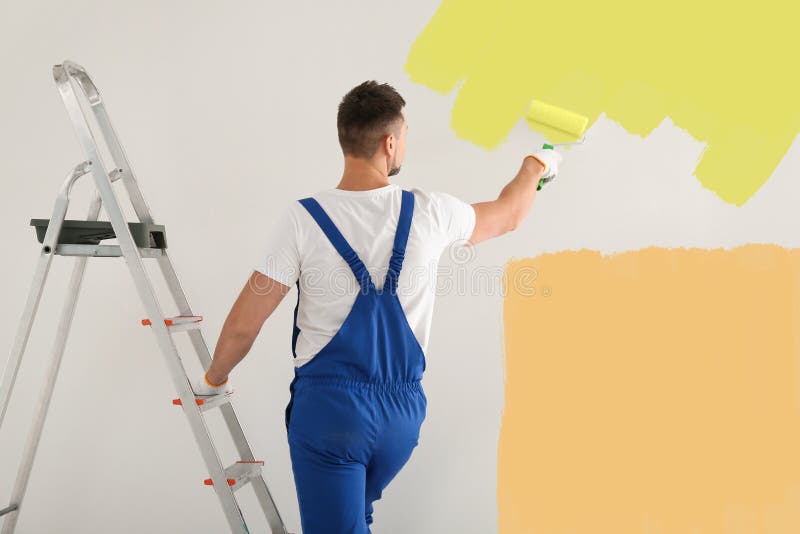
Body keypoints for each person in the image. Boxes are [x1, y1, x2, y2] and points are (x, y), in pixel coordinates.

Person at [191, 81, 562, 533]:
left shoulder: (304, 219)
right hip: (401, 418)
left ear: (345, 139)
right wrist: (538, 161)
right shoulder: (430, 210)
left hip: (331, 413)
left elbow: (242, 329)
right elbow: (509, 213)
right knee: (355, 517)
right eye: (404, 134)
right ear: (390, 143)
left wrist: (214, 379)